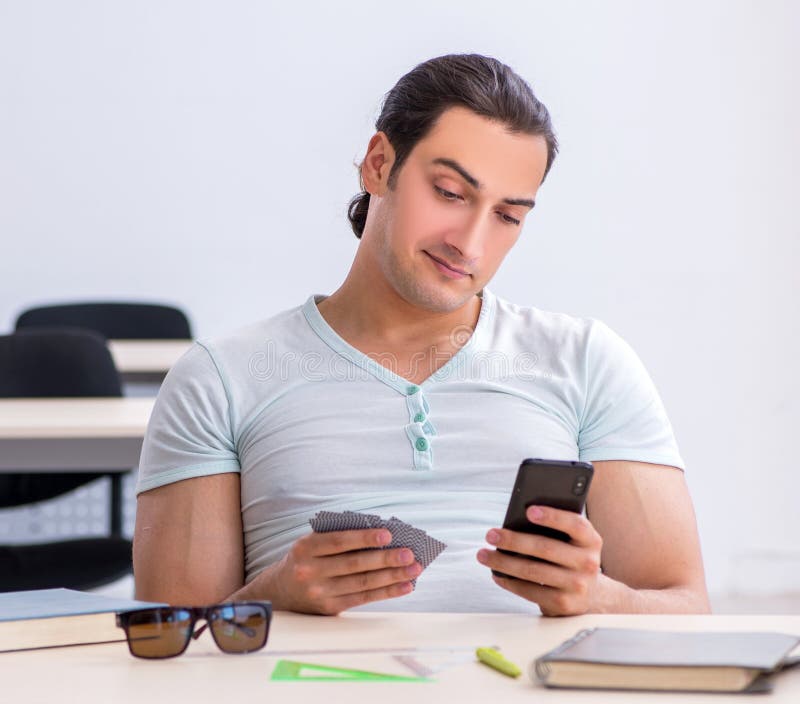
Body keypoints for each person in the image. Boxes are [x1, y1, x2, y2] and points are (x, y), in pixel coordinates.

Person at [133, 53, 710, 616]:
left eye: (508, 216)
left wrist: (600, 598)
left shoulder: (588, 359)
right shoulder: (220, 377)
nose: (472, 243)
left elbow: (686, 608)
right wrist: (274, 598)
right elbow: (167, 643)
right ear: (379, 164)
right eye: (451, 194)